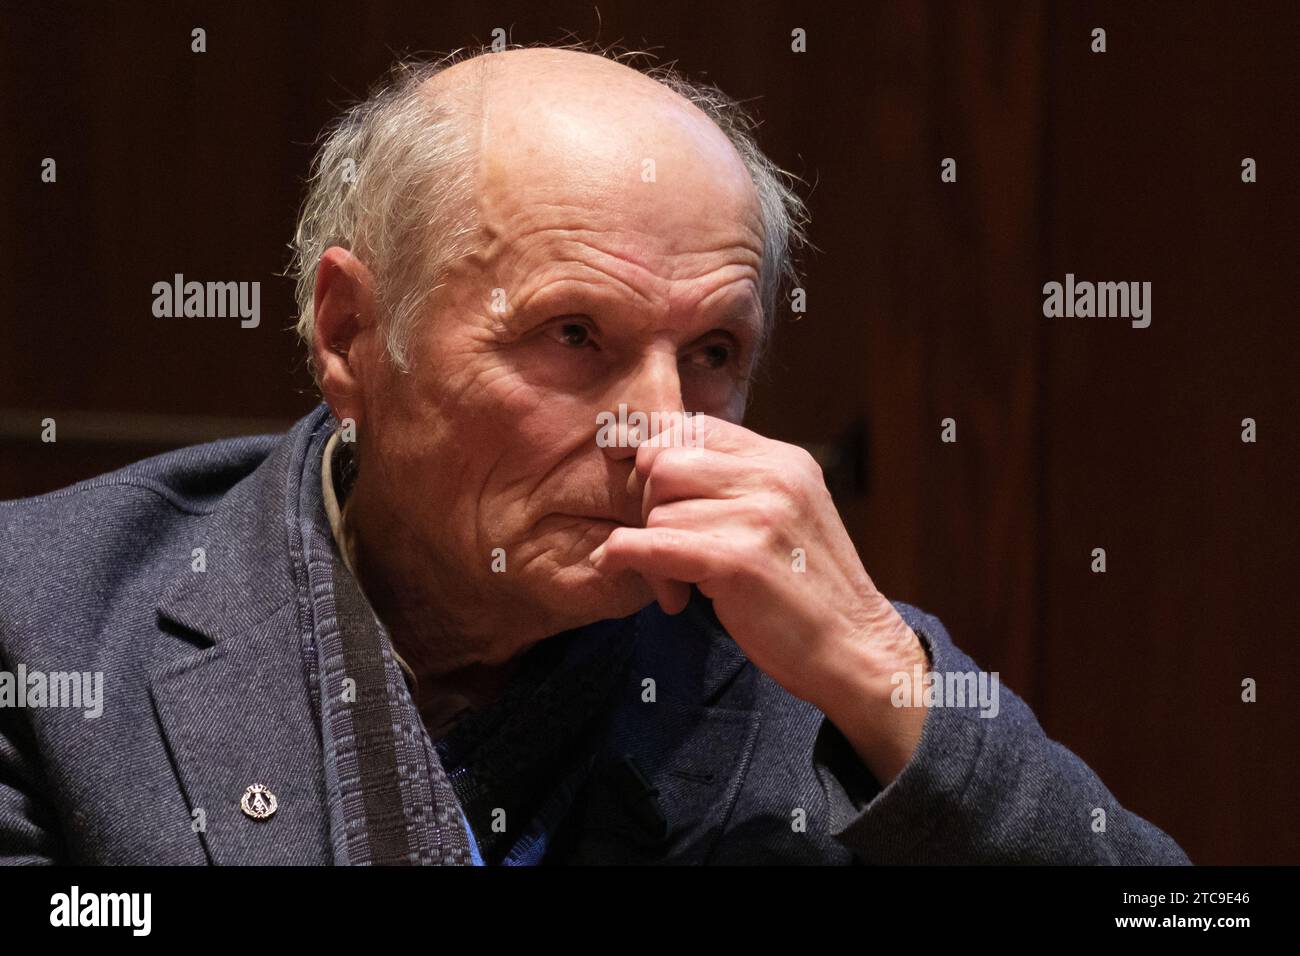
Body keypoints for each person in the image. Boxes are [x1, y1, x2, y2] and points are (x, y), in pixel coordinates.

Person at [0, 43, 1189, 865]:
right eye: (575, 335)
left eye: (715, 348)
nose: (659, 425)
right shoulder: (48, 619)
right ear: (350, 333)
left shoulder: (803, 658)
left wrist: (888, 676)